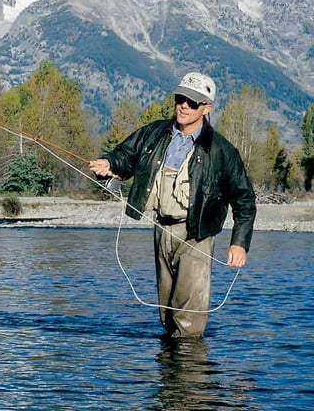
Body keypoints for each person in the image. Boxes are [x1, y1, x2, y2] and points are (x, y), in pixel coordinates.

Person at [89, 72, 257, 337]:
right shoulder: (155, 133)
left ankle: (189, 372)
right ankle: (170, 373)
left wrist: (239, 243)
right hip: (161, 229)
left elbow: (244, 200)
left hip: (197, 235)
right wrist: (109, 163)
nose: (184, 106)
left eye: (192, 102)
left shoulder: (221, 150)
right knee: (166, 312)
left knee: (188, 318)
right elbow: (125, 155)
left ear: (207, 108)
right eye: (181, 98)